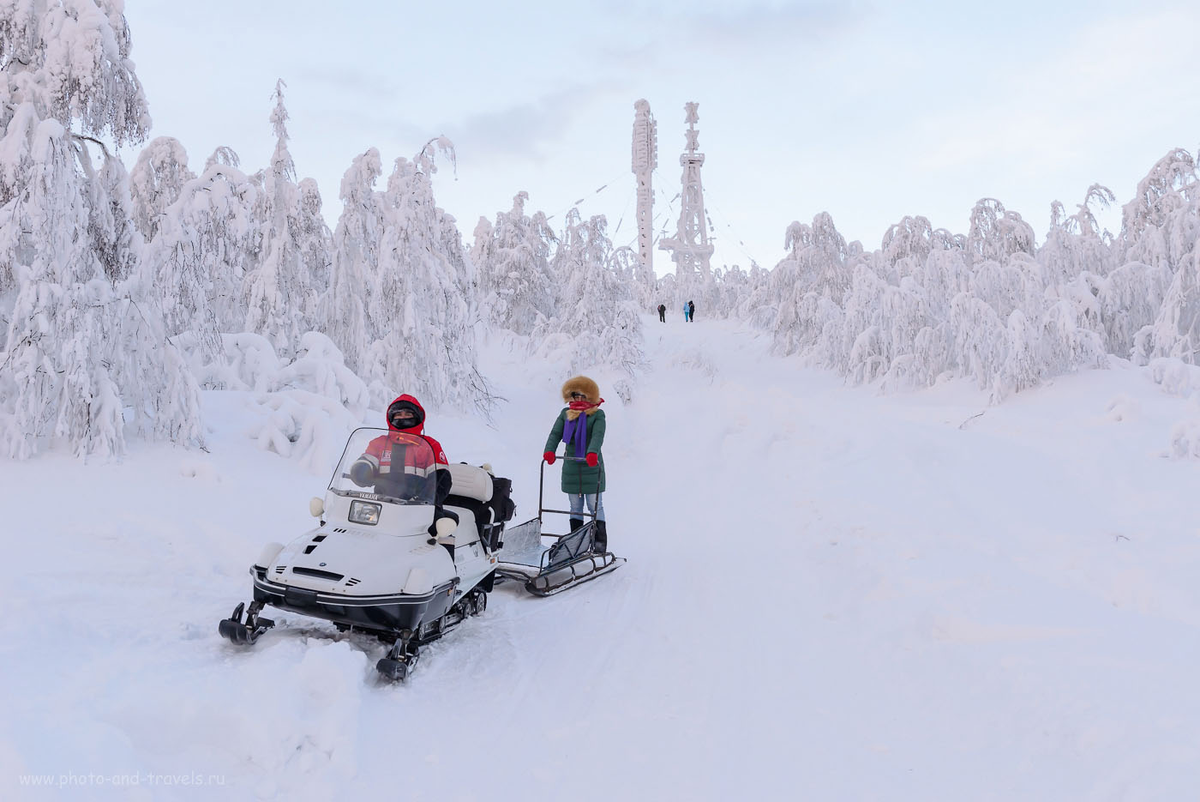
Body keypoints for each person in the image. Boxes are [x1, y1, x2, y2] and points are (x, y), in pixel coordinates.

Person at [350, 394, 456, 535]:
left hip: (419, 507)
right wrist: (361, 470)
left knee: (437, 534)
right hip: (382, 505)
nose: (403, 417)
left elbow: (442, 479)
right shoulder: (379, 443)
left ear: (417, 417)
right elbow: (368, 459)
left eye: (408, 413)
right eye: (398, 414)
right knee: (358, 532)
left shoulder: (430, 445)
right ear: (391, 418)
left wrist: (423, 500)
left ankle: (446, 553)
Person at [542, 376, 608, 553]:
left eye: (582, 395)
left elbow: (597, 436)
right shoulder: (566, 414)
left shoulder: (597, 415)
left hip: (592, 467)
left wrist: (592, 452)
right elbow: (556, 433)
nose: (578, 399)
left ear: (589, 396)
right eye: (575, 395)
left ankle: (599, 543)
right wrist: (549, 450)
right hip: (571, 467)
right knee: (575, 507)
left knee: (595, 506)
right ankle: (576, 544)